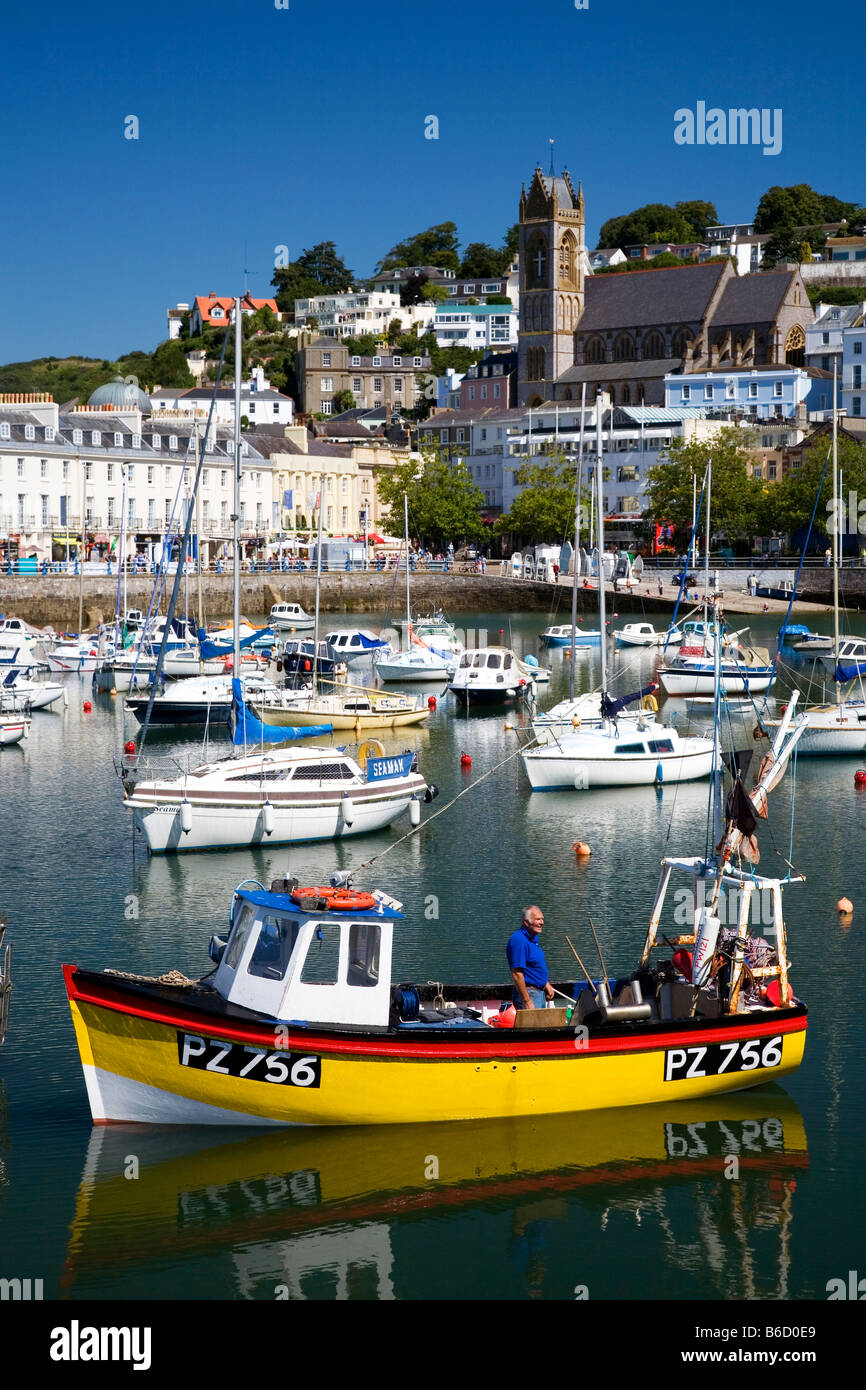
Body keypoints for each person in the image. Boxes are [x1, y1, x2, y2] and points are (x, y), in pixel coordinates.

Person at [507, 907, 555, 1010]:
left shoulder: (533, 937)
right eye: (538, 919)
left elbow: (533, 966)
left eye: (542, 919)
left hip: (539, 993)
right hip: (529, 994)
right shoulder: (519, 940)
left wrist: (545, 983)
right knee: (532, 1026)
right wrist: (527, 1001)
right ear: (526, 922)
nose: (542, 922)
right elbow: (516, 974)